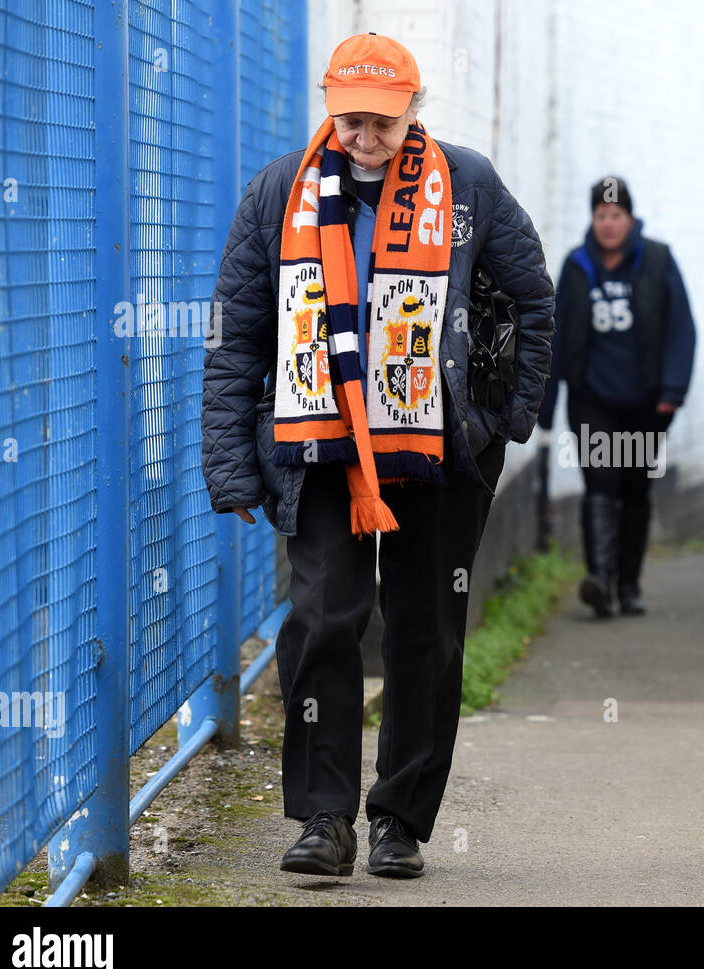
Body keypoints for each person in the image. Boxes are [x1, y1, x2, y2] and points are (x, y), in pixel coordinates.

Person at [201, 32, 554, 879]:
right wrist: (231, 462)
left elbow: (534, 299)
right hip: (320, 447)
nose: (365, 137)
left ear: (413, 110)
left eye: (383, 122)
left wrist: (501, 422)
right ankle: (323, 818)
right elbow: (236, 334)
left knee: (427, 628)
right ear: (330, 110)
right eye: (351, 120)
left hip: (439, 451)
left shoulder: (467, 185)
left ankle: (400, 818)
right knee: (323, 619)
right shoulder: (277, 192)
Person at [537, 177, 696, 617]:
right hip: (592, 399)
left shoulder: (657, 260)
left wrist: (673, 389)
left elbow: (681, 328)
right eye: (601, 215)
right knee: (600, 483)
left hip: (646, 401)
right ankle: (600, 580)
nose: (608, 223)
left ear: (630, 218)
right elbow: (554, 335)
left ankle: (629, 585)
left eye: (616, 215)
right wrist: (544, 404)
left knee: (635, 489)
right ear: (593, 219)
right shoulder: (576, 266)